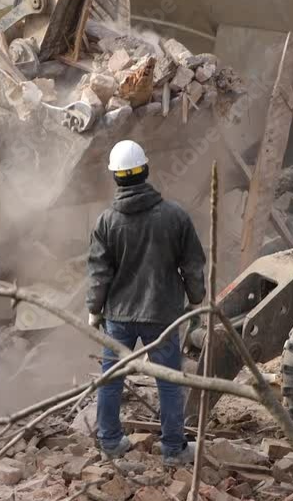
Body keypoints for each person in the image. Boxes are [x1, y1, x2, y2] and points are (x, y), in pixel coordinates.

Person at [86, 139, 206, 466]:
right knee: (168, 382)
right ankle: (174, 450)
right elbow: (193, 265)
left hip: (118, 318)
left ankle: (110, 441)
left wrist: (94, 310)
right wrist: (197, 302)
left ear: (116, 177)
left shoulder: (106, 222)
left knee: (111, 379)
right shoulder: (175, 216)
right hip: (162, 314)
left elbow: (99, 272)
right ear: (146, 171)